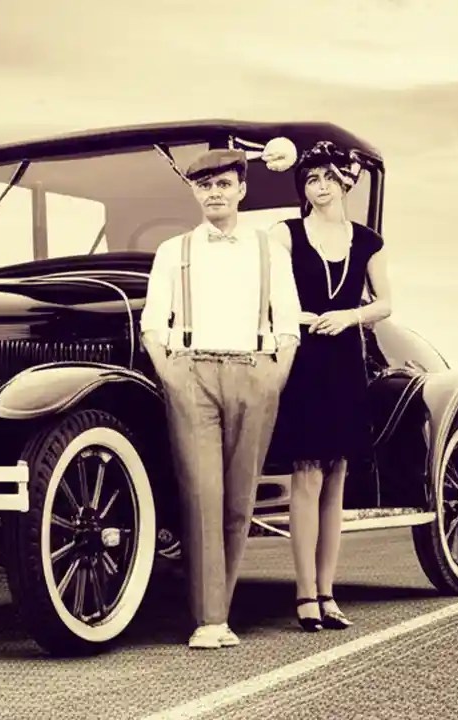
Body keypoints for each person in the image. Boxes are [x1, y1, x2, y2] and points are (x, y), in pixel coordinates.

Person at [140, 148, 302, 649]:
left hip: (255, 373)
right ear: (194, 191)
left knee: (238, 499)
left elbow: (289, 323)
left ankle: (222, 610)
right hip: (192, 374)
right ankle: (209, 621)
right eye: (205, 185)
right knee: (202, 494)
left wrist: (273, 377)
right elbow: (153, 325)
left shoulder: (268, 249)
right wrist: (172, 375)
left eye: (224, 184)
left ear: (241, 190)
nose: (215, 193)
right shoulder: (174, 250)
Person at [266, 139, 393, 632]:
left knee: (337, 473)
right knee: (308, 472)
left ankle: (328, 592)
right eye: (310, 179)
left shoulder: (367, 241)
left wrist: (349, 316)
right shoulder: (285, 233)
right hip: (303, 356)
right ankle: (303, 596)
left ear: (345, 181)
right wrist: (293, 315)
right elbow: (268, 290)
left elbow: (385, 303)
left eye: (326, 178)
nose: (319, 187)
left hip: (344, 356)